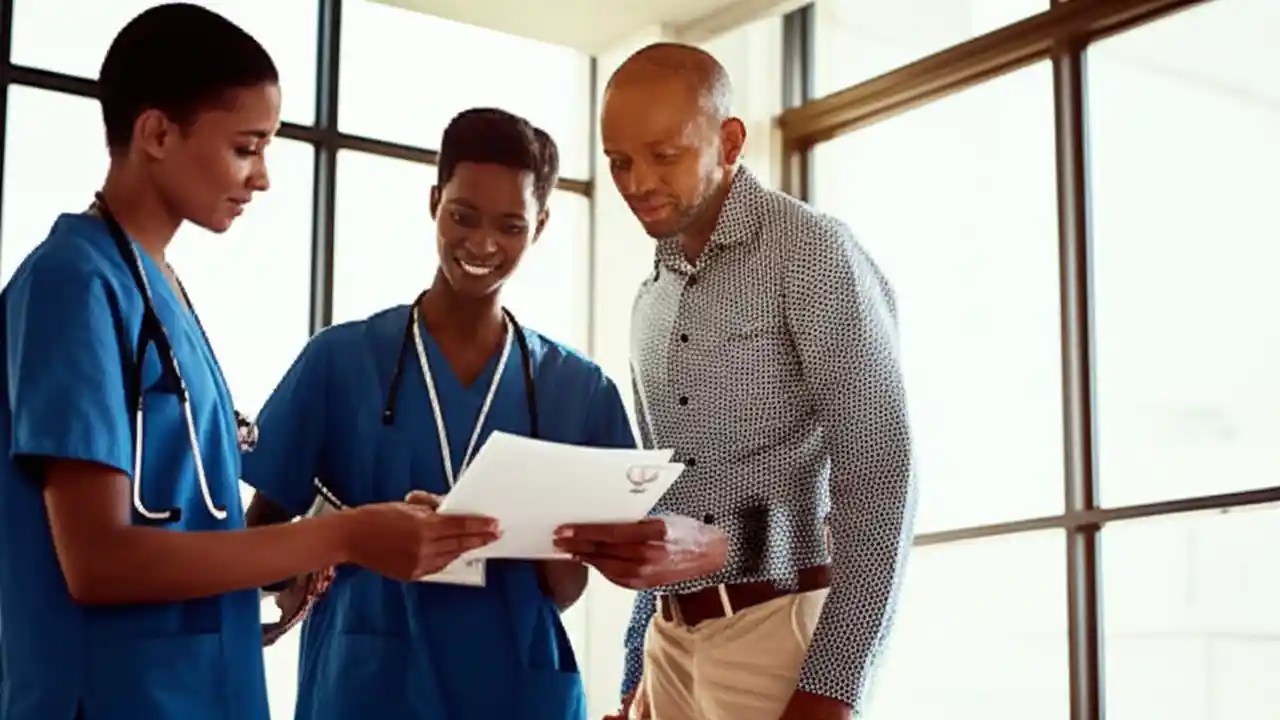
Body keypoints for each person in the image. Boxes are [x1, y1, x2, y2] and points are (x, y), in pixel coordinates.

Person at [0, 6, 492, 719]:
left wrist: (283, 569)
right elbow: (99, 561)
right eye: (246, 147)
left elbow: (180, 530)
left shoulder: (157, 285)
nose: (261, 177)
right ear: (158, 133)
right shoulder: (72, 285)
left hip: (196, 689)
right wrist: (345, 534)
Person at [240, 107, 652, 720]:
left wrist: (535, 523)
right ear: (434, 201)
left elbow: (570, 588)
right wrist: (328, 552)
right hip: (366, 686)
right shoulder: (340, 361)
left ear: (539, 225)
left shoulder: (578, 390)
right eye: (463, 216)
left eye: (510, 225)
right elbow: (259, 546)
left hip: (517, 688)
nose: (483, 244)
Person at [588, 42, 918, 720]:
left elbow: (881, 478)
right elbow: (668, 503)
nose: (637, 181)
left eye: (664, 155)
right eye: (618, 160)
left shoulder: (812, 253)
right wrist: (635, 673)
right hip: (670, 651)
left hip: (781, 643)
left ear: (729, 140)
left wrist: (832, 687)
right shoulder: (649, 298)